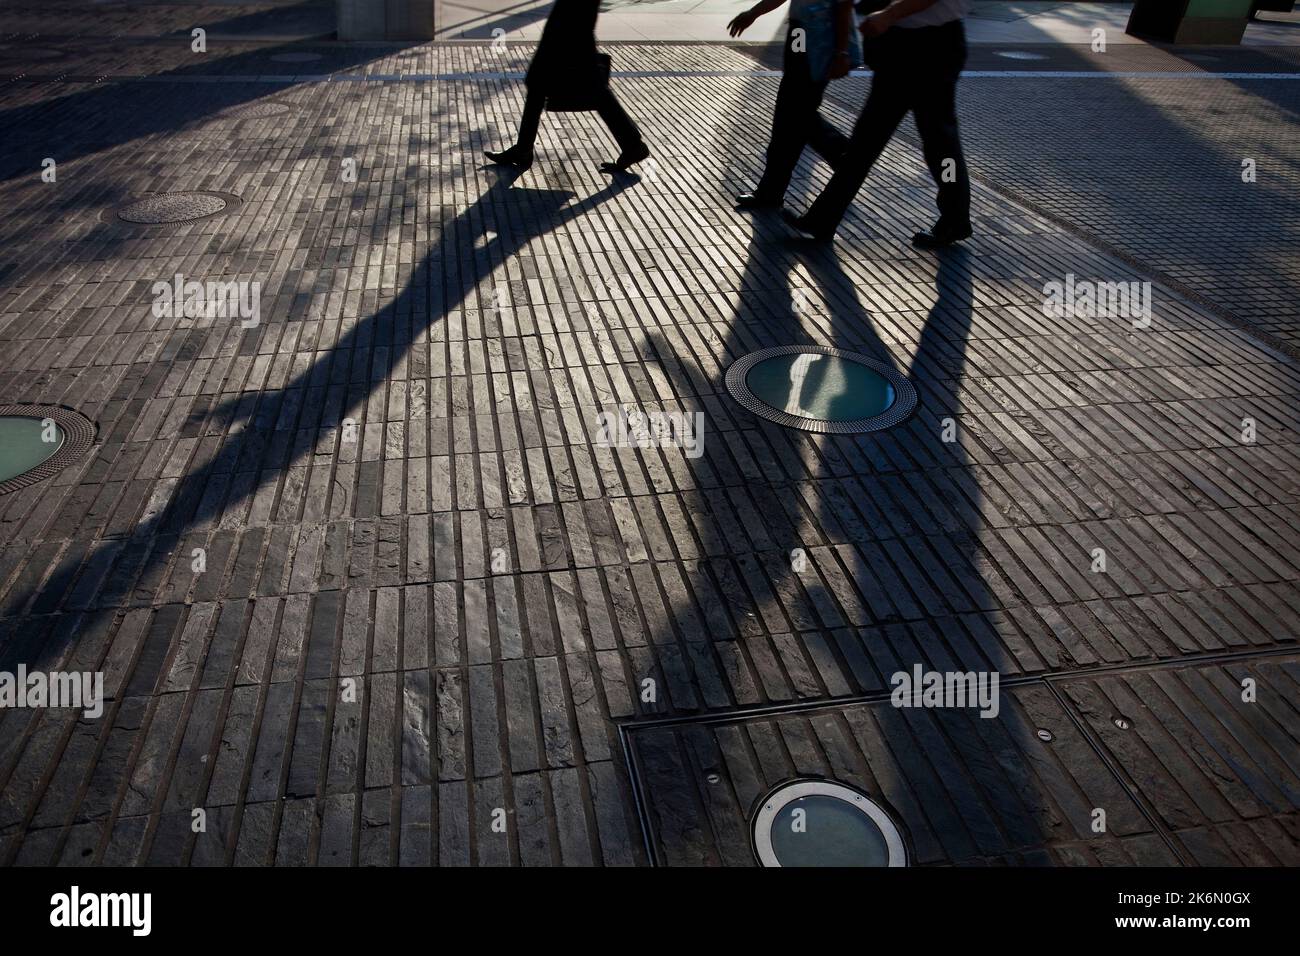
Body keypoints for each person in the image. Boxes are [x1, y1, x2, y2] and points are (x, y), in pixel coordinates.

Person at [784, 0, 972, 248]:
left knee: (940, 145)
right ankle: (822, 218)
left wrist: (888, 14)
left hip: (932, 48)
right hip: (904, 45)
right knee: (867, 140)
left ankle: (955, 219)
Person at [485, 0, 650, 173]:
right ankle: (633, 146)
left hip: (570, 25)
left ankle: (523, 149)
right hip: (572, 24)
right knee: (548, 85)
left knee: (549, 85)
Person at [728, 0, 858, 210]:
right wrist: (753, 13)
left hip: (816, 35)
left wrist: (841, 52)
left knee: (793, 114)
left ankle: (841, 153)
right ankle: (771, 191)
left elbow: (843, 6)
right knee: (792, 116)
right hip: (802, 33)